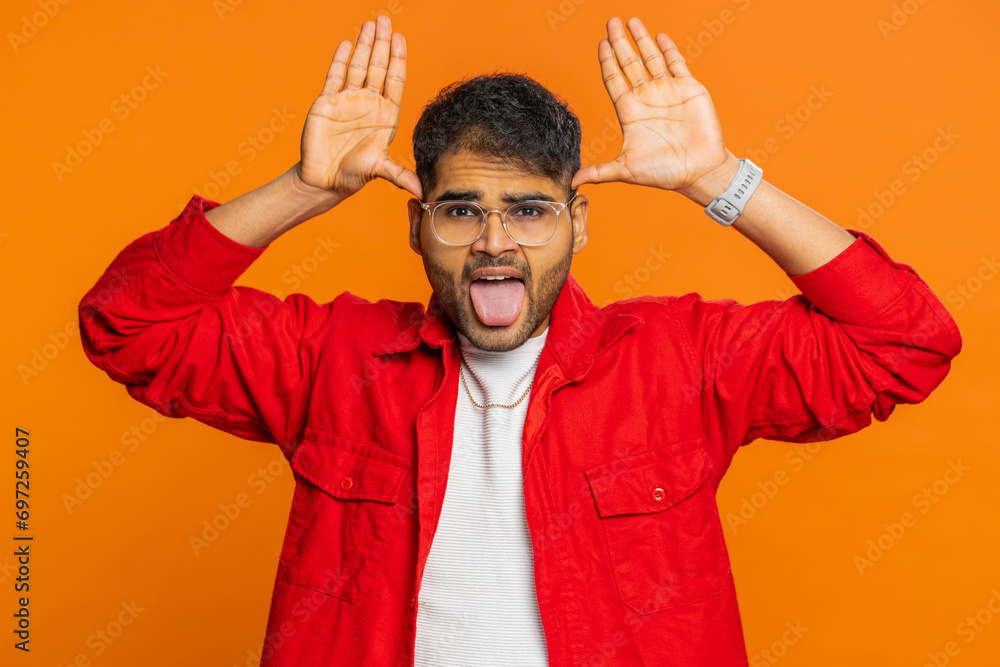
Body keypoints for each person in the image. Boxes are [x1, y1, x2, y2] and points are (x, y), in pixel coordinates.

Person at [78, 13, 962, 667]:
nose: (495, 242)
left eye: (531, 210)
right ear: (418, 224)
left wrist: (718, 179)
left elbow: (905, 342)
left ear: (578, 221)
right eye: (463, 211)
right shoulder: (331, 357)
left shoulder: (677, 358)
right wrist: (305, 188)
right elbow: (127, 325)